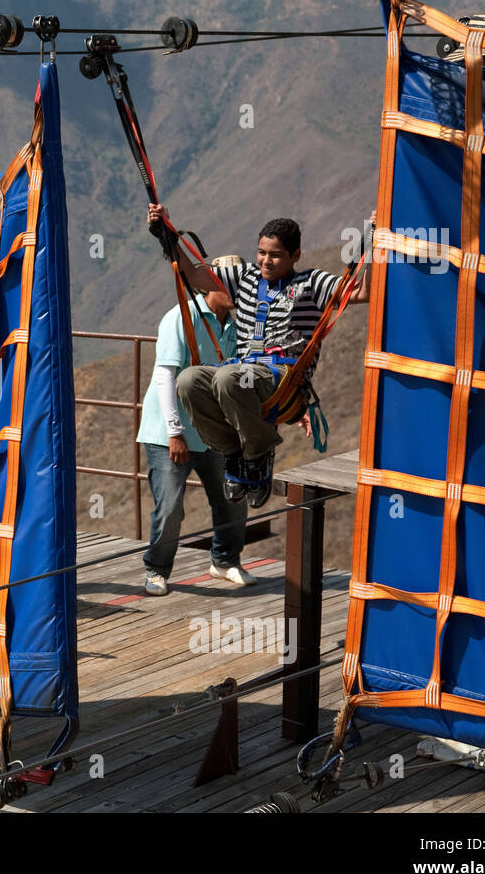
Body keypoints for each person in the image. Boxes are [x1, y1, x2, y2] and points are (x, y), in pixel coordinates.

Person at [147, 205, 370, 508]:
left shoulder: (311, 283)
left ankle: (259, 452)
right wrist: (167, 234)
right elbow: (195, 274)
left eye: (275, 255)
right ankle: (233, 453)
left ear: (295, 255)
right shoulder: (245, 277)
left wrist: (373, 241)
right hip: (243, 374)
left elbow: (359, 292)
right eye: (261, 252)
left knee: (228, 377)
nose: (266, 261)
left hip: (282, 380)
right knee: (188, 380)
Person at [136, 287, 254, 596]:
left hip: (212, 428)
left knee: (232, 495)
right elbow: (165, 375)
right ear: (210, 286)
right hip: (169, 431)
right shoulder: (181, 316)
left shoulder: (237, 324)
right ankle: (156, 569)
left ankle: (225, 561)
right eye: (232, 287)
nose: (239, 293)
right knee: (171, 506)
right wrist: (175, 431)